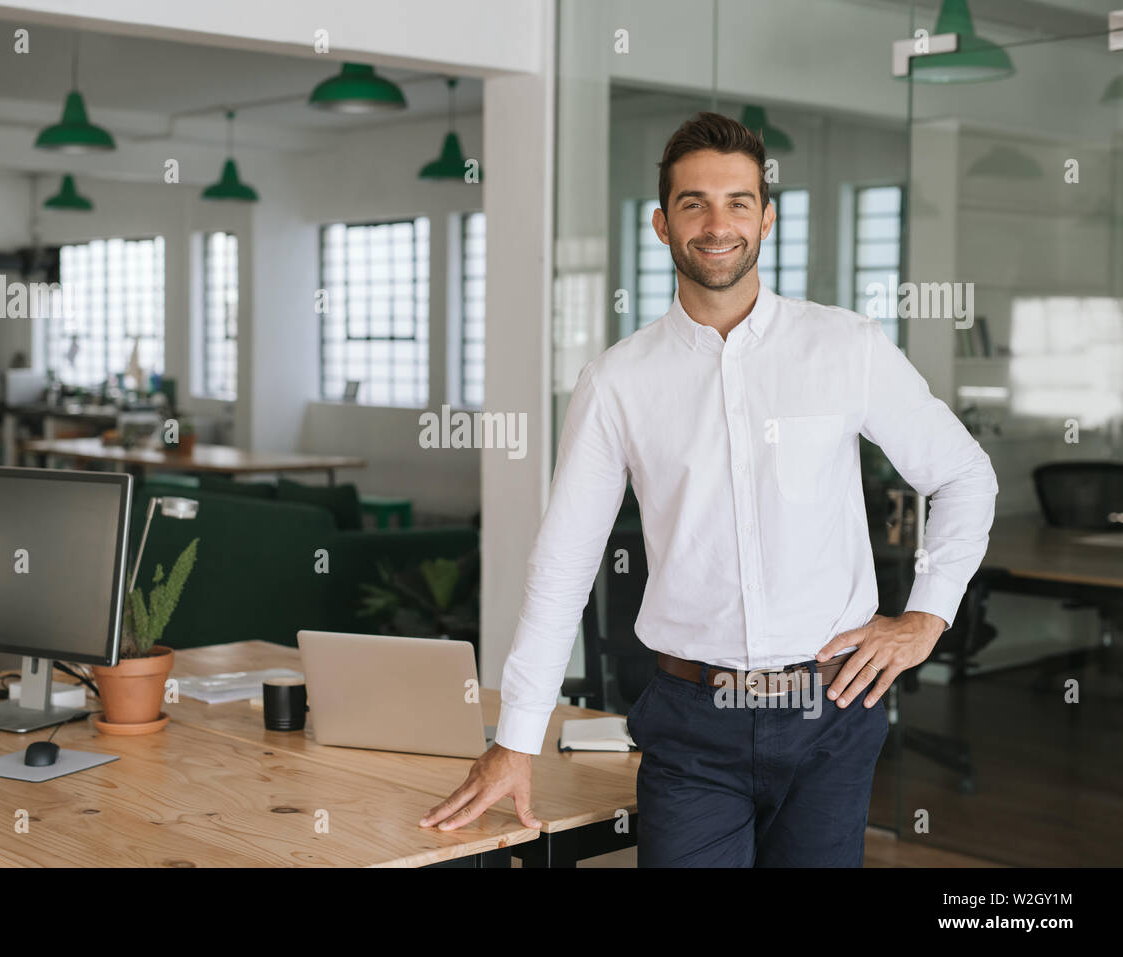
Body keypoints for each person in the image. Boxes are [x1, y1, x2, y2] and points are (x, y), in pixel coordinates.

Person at [419, 111, 999, 866]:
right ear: (662, 224)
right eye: (694, 203)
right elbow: (563, 562)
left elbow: (963, 475)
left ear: (767, 217)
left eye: (737, 201)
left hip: (831, 711)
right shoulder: (617, 382)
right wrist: (516, 741)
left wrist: (927, 614)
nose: (716, 222)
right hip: (693, 723)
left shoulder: (845, 348)